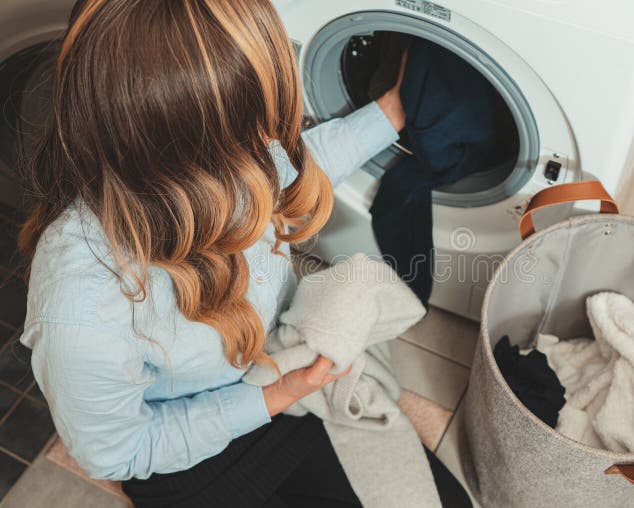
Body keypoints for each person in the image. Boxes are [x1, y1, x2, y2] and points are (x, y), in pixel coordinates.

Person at [17, 1, 471, 506]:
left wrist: (391, 112)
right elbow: (120, 450)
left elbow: (298, 167)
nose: (273, 138)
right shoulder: (82, 309)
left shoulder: (232, 160)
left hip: (272, 372)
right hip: (188, 456)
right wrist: (279, 394)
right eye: (253, 124)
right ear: (177, 151)